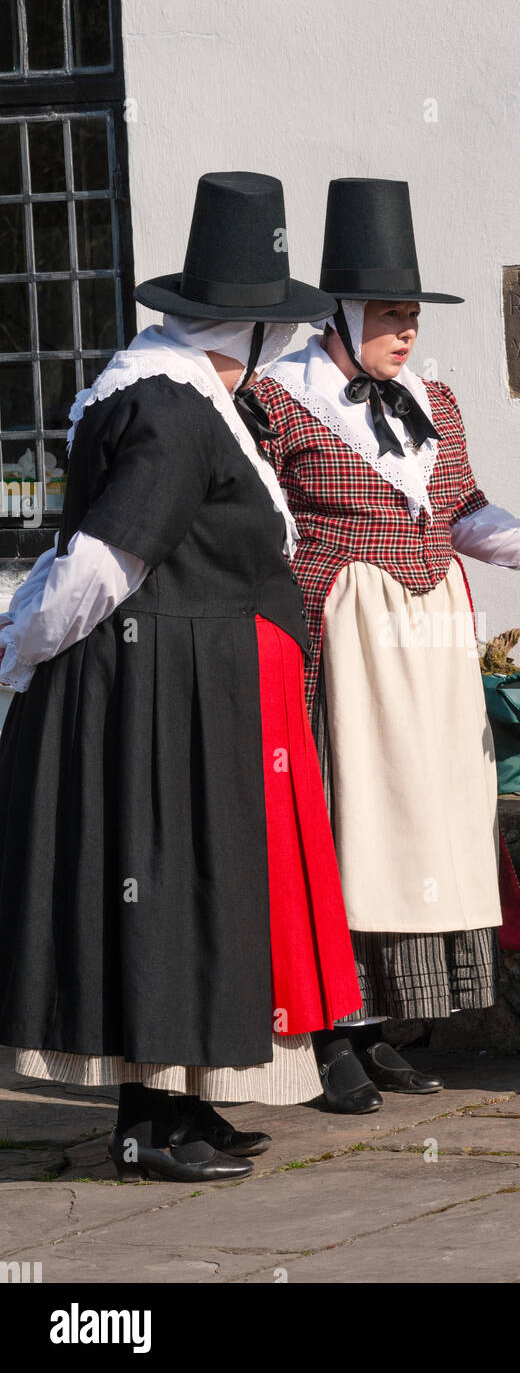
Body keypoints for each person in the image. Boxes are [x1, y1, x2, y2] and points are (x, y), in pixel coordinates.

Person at [0, 171, 361, 1180]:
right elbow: (102, 563)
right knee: (158, 890)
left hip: (201, 688)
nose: (285, 346)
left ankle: (187, 1106)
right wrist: (17, 654)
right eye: (274, 329)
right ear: (238, 327)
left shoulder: (190, 394)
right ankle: (147, 1123)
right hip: (158, 691)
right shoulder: (167, 407)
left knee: (201, 893)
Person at [256, 177, 520, 1113]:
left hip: (432, 633)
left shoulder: (430, 398)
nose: (405, 332)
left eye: (412, 315)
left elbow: (464, 511)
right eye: (390, 315)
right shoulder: (278, 402)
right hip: (340, 634)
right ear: (341, 314)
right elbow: (263, 525)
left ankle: (385, 1022)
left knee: (423, 817)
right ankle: (329, 1034)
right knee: (348, 815)